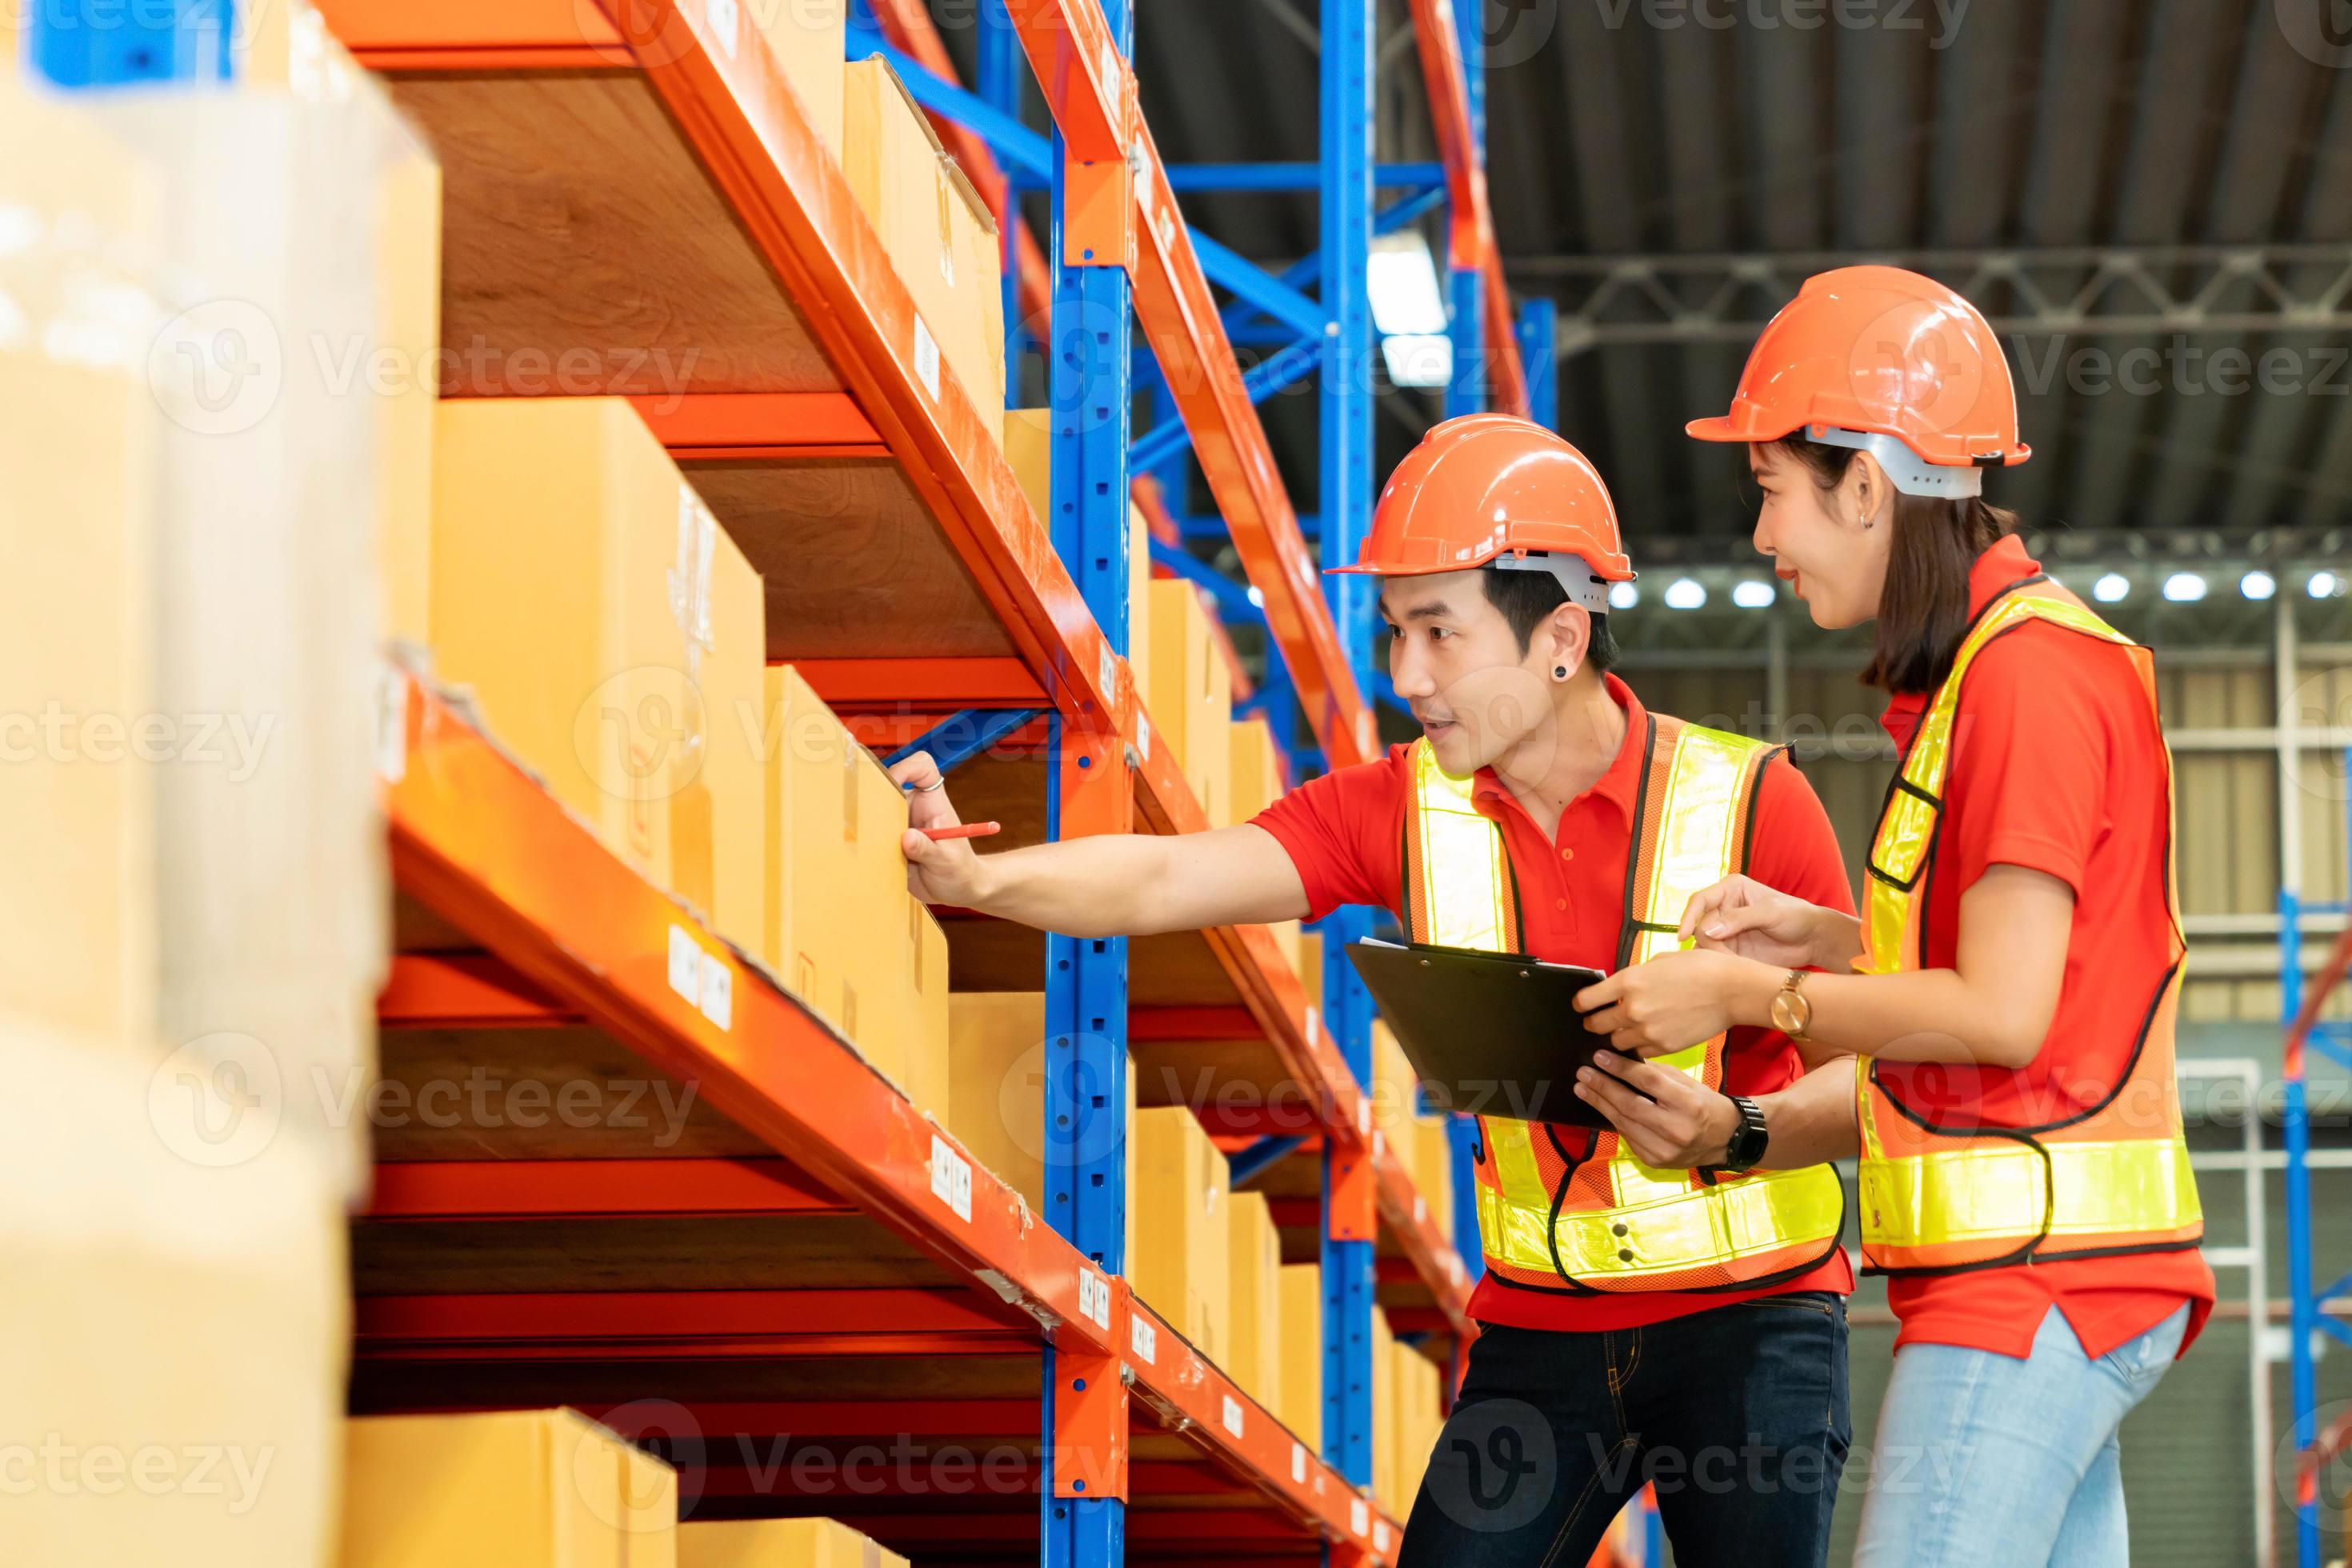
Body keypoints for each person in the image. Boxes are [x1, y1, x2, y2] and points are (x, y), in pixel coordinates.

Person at [894, 414, 1868, 1567]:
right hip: (1539, 1331)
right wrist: (978, 876)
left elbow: (1885, 1064)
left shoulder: (1756, 801)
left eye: (1440, 635)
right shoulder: (1394, 807)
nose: (1406, 675)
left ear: (1561, 637)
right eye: (1397, 631)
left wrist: (1742, 1130)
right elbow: (1170, 871)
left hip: (1753, 1321)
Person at [1570, 266, 2214, 1567]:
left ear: (1867, 483)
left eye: (1773, 490)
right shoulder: (1994, 672)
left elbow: (2001, 1012)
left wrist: (1747, 997)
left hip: (2040, 1286)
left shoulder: (2030, 678)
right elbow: (2033, 972)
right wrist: (1817, 942)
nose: (1764, 536)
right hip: (2054, 1278)